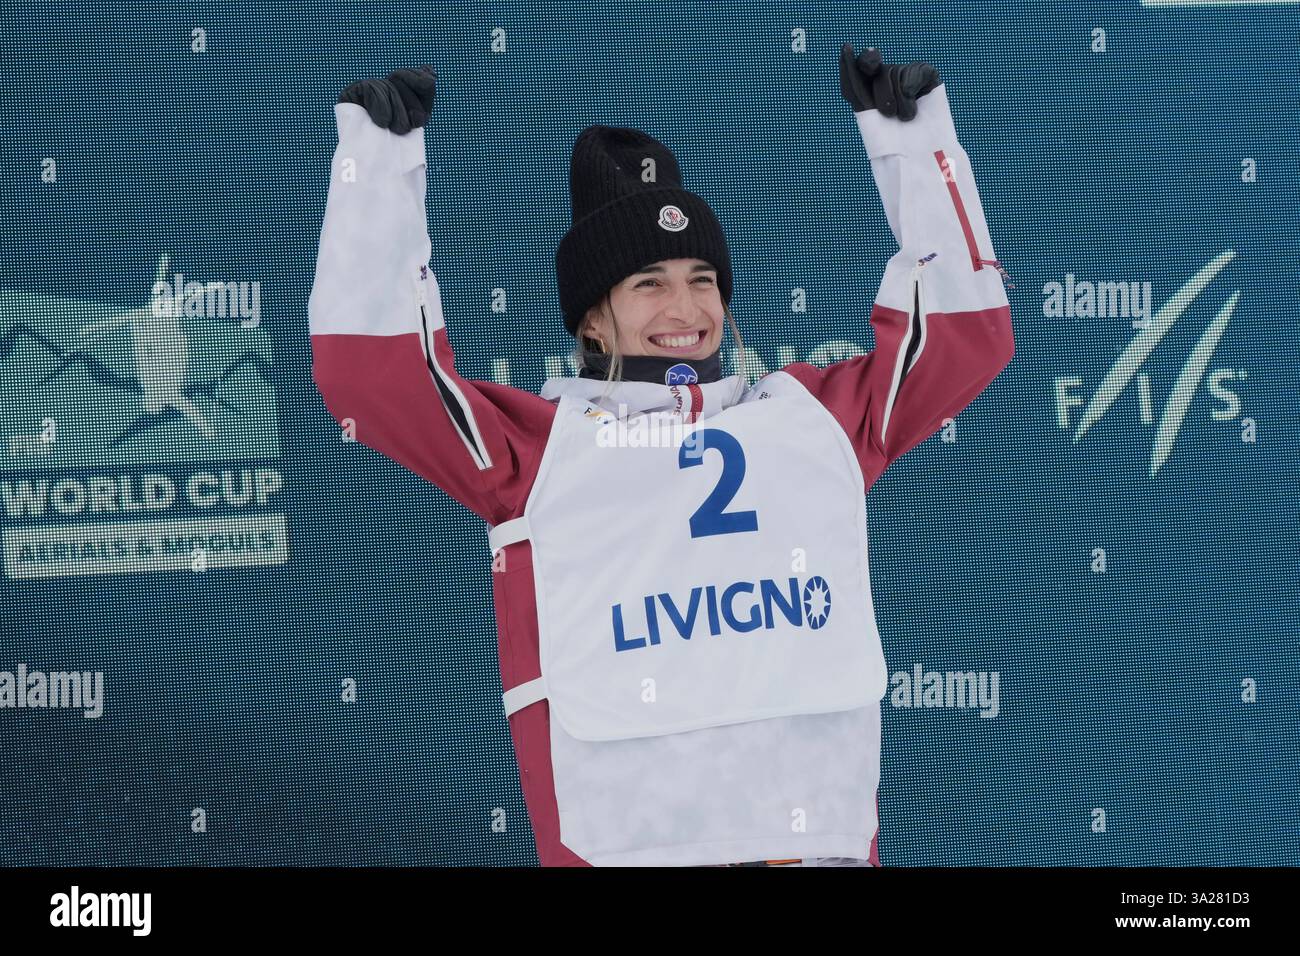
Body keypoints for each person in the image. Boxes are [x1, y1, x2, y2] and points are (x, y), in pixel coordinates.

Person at [308, 47, 1013, 867]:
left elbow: (965, 342)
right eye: (648, 283)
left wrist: (918, 148)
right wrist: (378, 170)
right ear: (592, 321)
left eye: (703, 277)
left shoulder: (811, 422)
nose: (686, 309)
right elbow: (371, 377)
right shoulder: (539, 450)